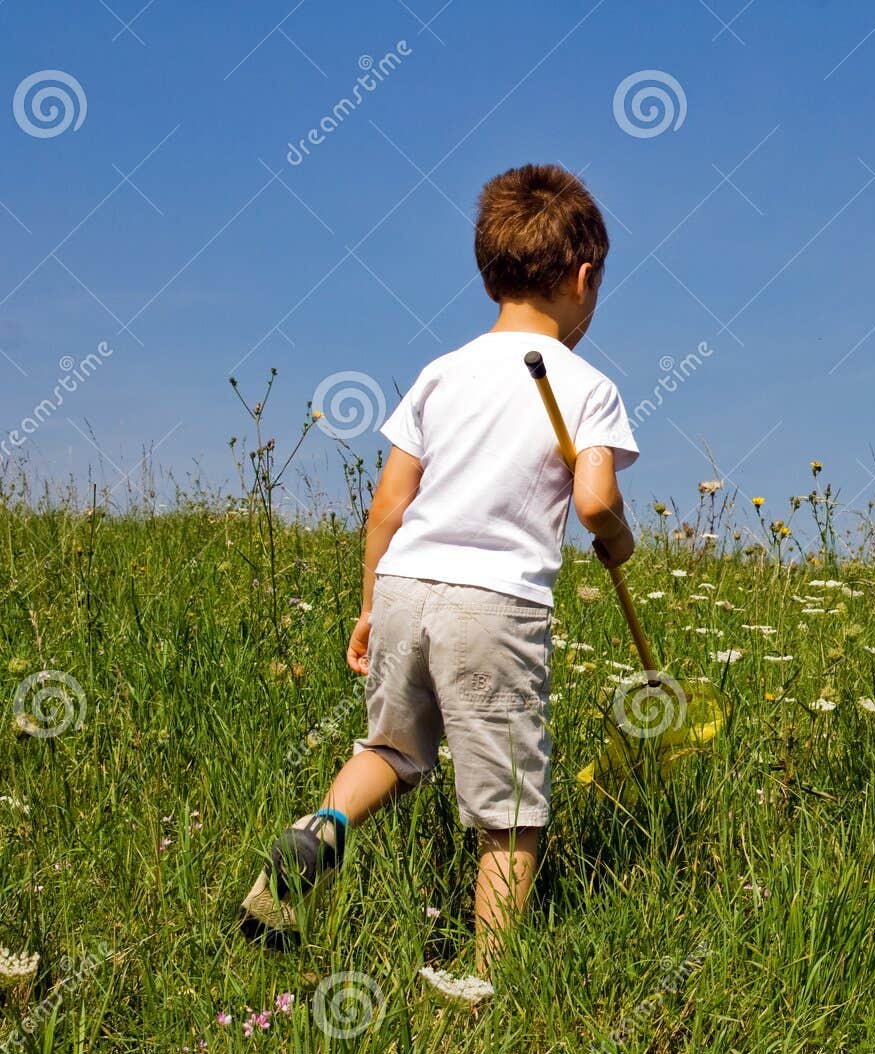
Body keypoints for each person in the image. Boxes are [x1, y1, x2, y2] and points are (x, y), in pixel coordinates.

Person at [239, 164, 638, 987]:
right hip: (493, 604)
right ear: (584, 278)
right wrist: (619, 539)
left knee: (390, 747)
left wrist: (368, 606)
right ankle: (486, 976)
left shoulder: (441, 371)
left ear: (490, 270)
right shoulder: (587, 386)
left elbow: (388, 505)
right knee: (512, 807)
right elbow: (595, 499)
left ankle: (317, 832)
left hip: (406, 587)